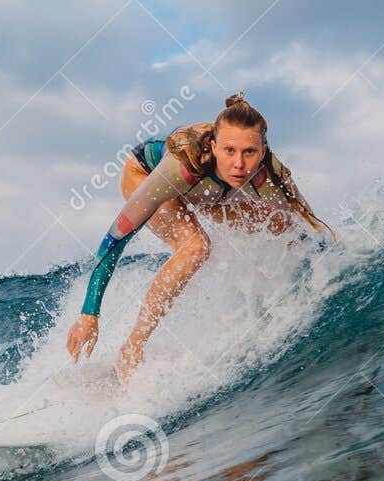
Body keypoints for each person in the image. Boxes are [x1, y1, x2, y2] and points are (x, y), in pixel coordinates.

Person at [66, 93, 333, 380]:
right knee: (196, 247)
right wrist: (89, 314)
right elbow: (115, 238)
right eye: (229, 151)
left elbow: (309, 224)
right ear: (214, 146)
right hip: (144, 172)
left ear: (263, 150)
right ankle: (132, 348)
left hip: (206, 189)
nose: (239, 165)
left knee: (279, 223)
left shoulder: (272, 177)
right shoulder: (178, 170)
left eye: (249, 152)